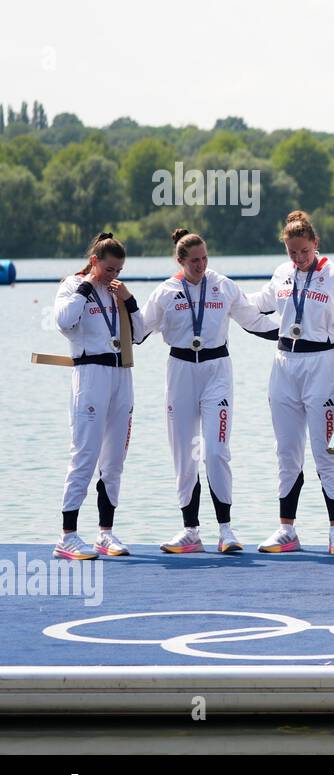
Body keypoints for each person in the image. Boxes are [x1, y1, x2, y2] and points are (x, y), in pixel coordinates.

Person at [139, 229, 280, 554]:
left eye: (204, 258)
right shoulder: (165, 292)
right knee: (185, 455)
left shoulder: (223, 285)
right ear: (180, 261)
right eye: (194, 261)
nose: (201, 265)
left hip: (217, 371)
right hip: (181, 372)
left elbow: (253, 321)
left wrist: (293, 334)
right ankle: (190, 531)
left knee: (216, 452)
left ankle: (226, 530)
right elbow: (137, 330)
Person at [250, 210, 334, 555]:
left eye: (304, 251)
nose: (298, 258)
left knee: (326, 450)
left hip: (321, 366)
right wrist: (218, 295)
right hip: (284, 366)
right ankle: (287, 530)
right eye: (292, 252)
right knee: (286, 451)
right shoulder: (282, 274)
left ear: (315, 243)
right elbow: (255, 306)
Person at [52, 232, 145, 559]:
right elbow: (64, 321)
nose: (113, 276)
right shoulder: (73, 285)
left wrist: (129, 300)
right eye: (108, 269)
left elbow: (143, 332)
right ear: (95, 262)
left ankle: (105, 533)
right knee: (85, 454)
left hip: (122, 374)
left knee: (115, 458)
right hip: (90, 374)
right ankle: (67, 536)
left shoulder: (117, 292)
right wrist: (88, 286)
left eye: (118, 271)